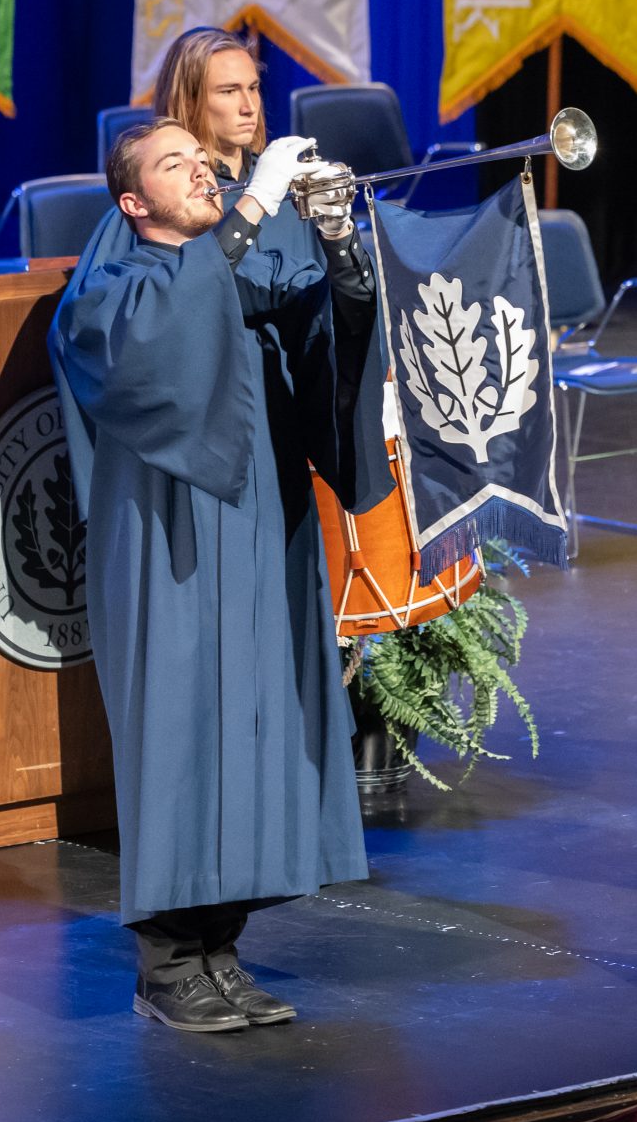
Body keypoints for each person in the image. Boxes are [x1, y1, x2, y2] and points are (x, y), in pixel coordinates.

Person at [49, 119, 391, 1034]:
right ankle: (167, 963)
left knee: (253, 725)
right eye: (175, 163)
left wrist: (341, 250)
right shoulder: (108, 291)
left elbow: (327, 358)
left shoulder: (235, 278)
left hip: (260, 534)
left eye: (202, 158)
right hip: (169, 544)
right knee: (181, 729)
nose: (200, 167)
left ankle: (220, 947)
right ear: (133, 202)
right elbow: (163, 332)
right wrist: (248, 208)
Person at [153, 26, 267, 183]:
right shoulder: (164, 190)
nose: (250, 108)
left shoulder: (275, 175)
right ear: (187, 103)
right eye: (228, 91)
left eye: (253, 88)